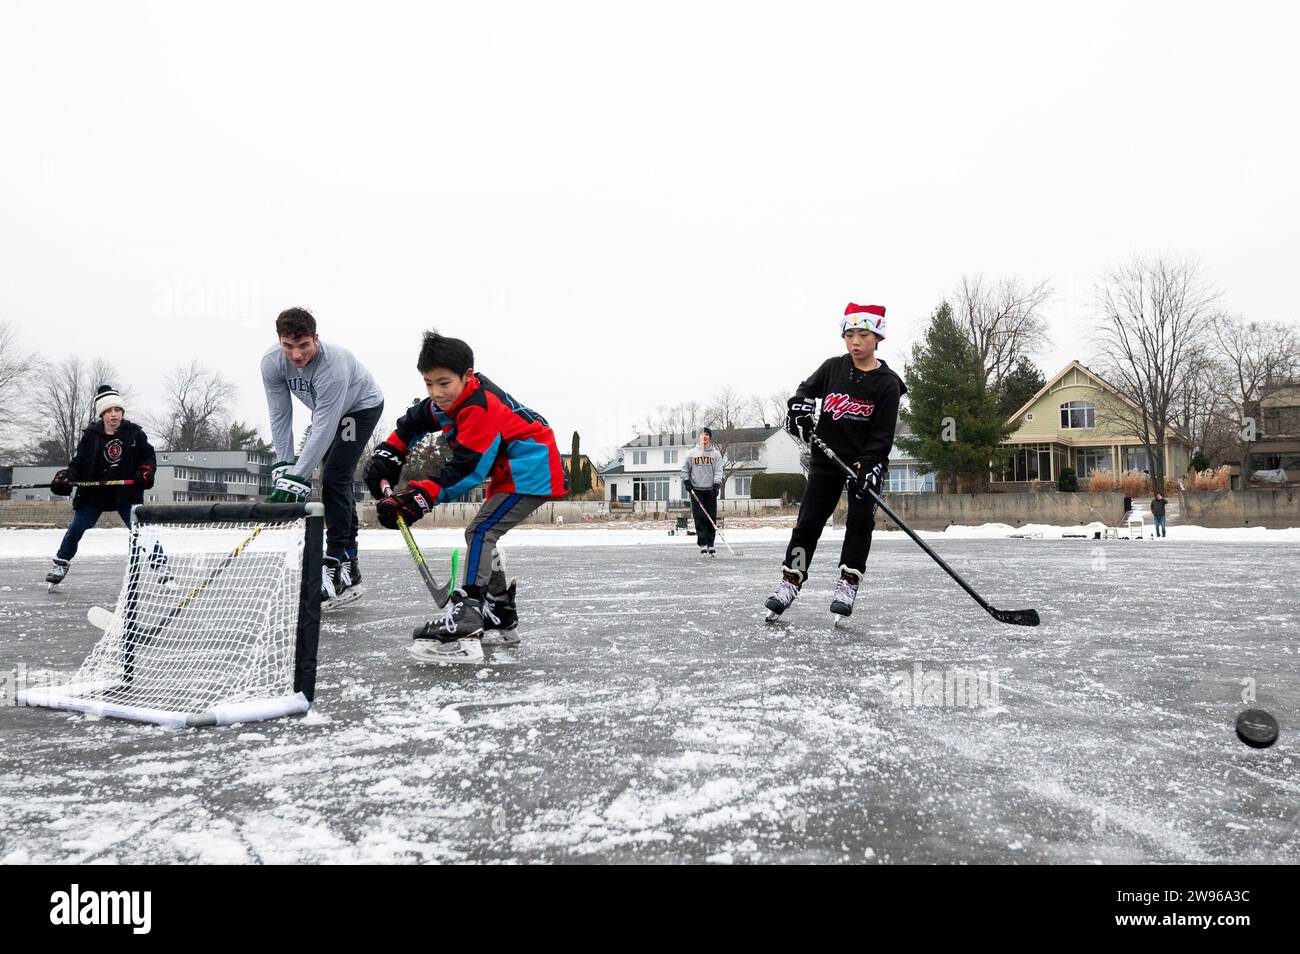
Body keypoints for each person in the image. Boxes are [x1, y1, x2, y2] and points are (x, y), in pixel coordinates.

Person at [363, 330, 566, 658]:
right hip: (510, 471)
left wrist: (420, 496)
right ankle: (499, 612)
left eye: (444, 383)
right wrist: (389, 454)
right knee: (485, 534)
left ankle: (468, 610)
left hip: (531, 469)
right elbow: (411, 424)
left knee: (481, 531)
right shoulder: (446, 402)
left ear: (467, 376)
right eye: (428, 383)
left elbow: (467, 468)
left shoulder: (479, 407)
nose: (436, 392)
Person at [765, 303, 906, 621]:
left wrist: (870, 465)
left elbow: (882, 435)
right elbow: (805, 391)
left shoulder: (887, 383)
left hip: (864, 464)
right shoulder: (832, 368)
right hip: (826, 458)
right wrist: (799, 409)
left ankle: (848, 582)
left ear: (877, 337)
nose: (855, 342)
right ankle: (791, 580)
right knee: (808, 523)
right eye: (849, 335)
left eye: (863, 334)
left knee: (859, 523)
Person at [261, 307, 385, 606]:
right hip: (327, 413)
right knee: (335, 482)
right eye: (288, 346)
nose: (297, 355)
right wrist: (283, 465)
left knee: (334, 477)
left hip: (359, 408)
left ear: (316, 338)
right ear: (279, 341)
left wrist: (297, 476)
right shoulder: (271, 363)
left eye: (303, 345)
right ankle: (349, 564)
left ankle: (333, 563)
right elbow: (280, 415)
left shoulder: (334, 364)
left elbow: (326, 426)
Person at [45, 385, 160, 587]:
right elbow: (78, 464)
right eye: (109, 411)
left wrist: (145, 471)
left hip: (125, 493)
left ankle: (161, 567)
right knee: (77, 526)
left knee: (140, 530)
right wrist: (65, 476)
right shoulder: (90, 436)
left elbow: (148, 457)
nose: (114, 415)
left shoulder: (134, 433)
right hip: (94, 494)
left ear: (122, 412)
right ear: (102, 414)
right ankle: (61, 563)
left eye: (117, 410)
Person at [680, 427, 723, 555]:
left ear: (710, 437)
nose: (704, 437)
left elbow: (718, 471)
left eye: (706, 435)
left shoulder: (716, 454)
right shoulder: (692, 453)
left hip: (710, 490)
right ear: (699, 438)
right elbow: (684, 470)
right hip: (696, 490)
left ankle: (711, 543)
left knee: (711, 517)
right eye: (702, 435)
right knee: (700, 518)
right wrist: (687, 482)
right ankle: (703, 543)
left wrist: (716, 485)